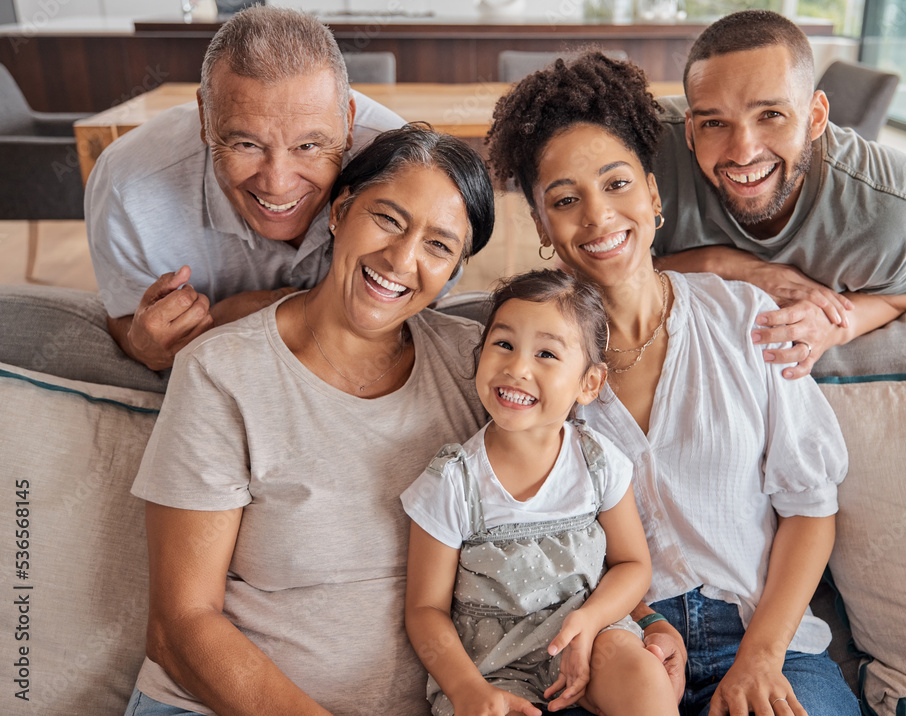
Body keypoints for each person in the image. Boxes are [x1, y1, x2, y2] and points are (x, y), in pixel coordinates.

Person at [487, 53, 859, 716]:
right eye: (565, 200)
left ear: (654, 196)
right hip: (615, 650)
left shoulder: (745, 319)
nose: (598, 217)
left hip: (765, 637)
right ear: (543, 227)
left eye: (617, 183)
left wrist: (759, 661)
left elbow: (810, 508)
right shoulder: (522, 362)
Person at [124, 125, 494, 716]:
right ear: (340, 212)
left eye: (439, 246)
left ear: (454, 270)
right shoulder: (223, 372)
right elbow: (179, 626)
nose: (401, 259)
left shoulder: (476, 364)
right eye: (389, 219)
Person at [403, 269, 678, 716]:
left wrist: (589, 621)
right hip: (490, 667)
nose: (517, 367)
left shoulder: (597, 461)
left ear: (589, 384)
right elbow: (424, 609)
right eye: (504, 344)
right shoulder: (452, 480)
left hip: (587, 638)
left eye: (546, 353)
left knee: (644, 678)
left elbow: (633, 564)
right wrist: (467, 689)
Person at [86, 5, 405, 371]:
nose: (277, 183)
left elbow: (428, 295)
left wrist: (235, 319)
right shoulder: (126, 185)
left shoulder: (400, 167)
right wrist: (144, 347)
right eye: (246, 145)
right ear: (205, 118)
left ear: (348, 120)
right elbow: (124, 317)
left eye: (308, 146)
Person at [648, 10, 906, 379]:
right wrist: (720, 266)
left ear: (816, 117)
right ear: (692, 132)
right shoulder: (642, 157)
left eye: (771, 114)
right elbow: (581, 271)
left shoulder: (898, 209)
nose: (743, 153)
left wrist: (839, 326)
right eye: (714, 123)